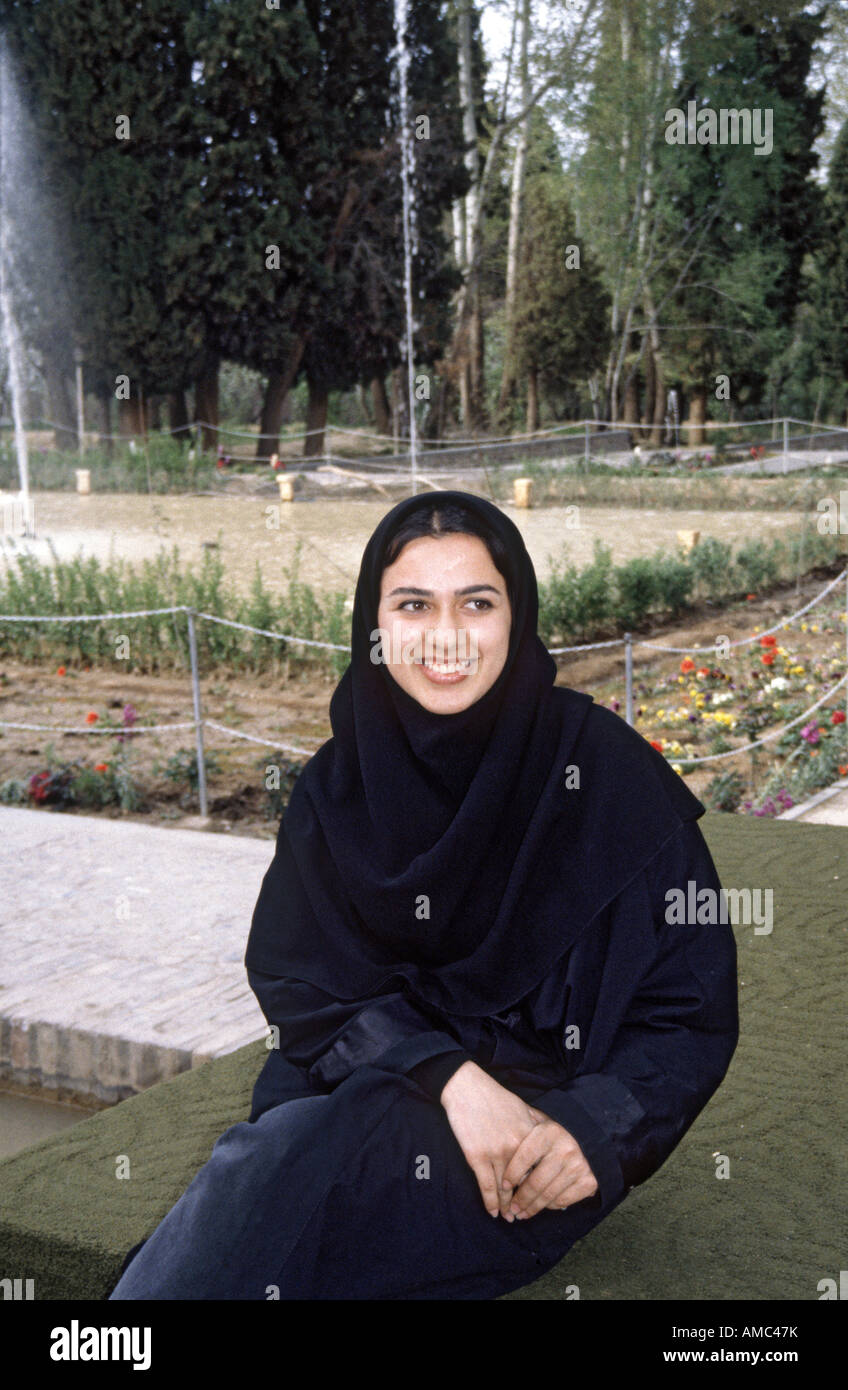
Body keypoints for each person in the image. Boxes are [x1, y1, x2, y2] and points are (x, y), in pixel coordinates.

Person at [108, 489, 738, 1301]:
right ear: (376, 625)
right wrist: (451, 1078)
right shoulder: (339, 786)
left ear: (518, 616)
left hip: (530, 1149)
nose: (445, 637)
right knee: (301, 1155)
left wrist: (594, 1133)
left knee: (286, 1177)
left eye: (476, 602)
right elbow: (300, 982)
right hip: (354, 1093)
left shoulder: (605, 776)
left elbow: (690, 1011)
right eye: (413, 605)